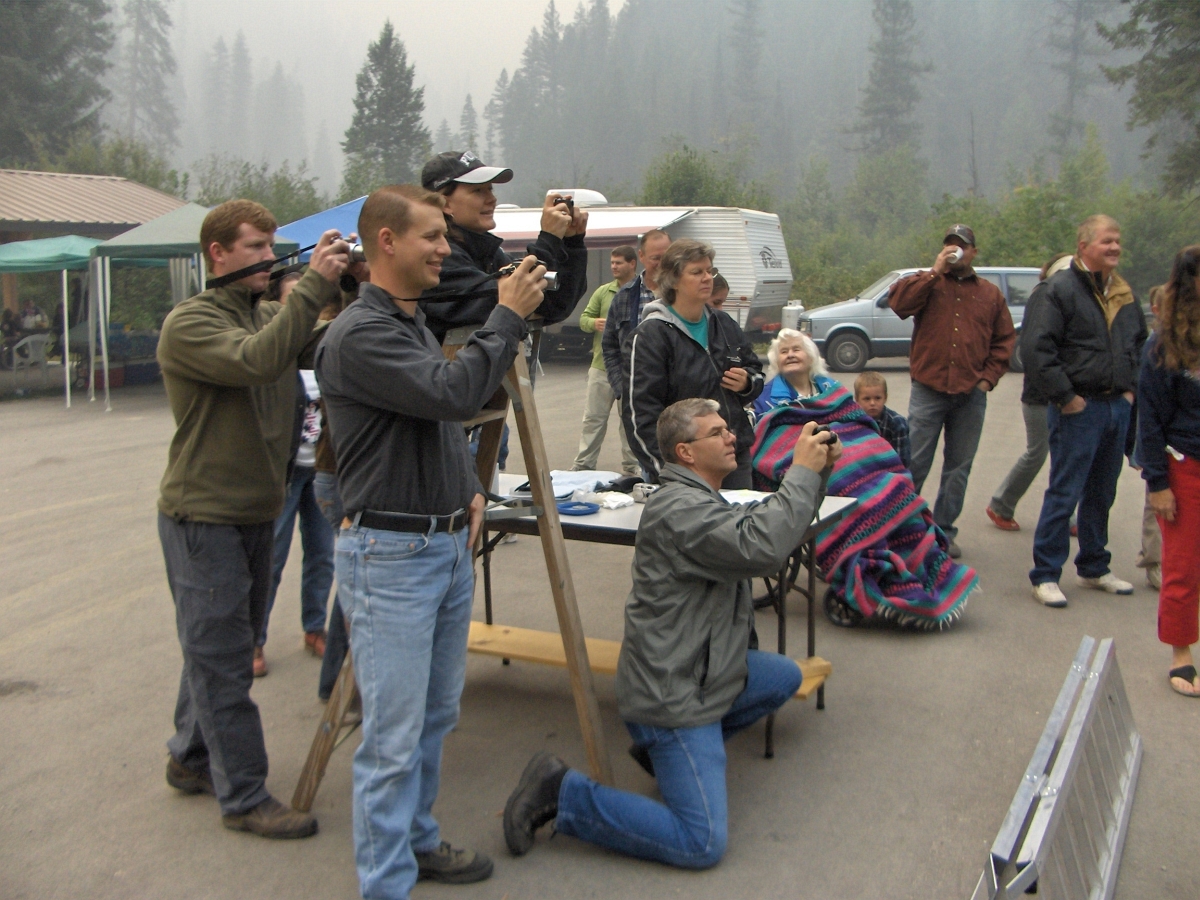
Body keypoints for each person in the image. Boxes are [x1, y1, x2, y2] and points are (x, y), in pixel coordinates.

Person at [315, 184, 549, 899]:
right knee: (391, 738)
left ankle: (415, 843)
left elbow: (434, 418)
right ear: (387, 242)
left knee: (435, 716)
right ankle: (385, 884)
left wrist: (467, 489)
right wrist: (506, 316)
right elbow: (452, 394)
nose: (446, 250)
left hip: (441, 548)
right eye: (432, 238)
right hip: (392, 558)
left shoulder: (405, 321)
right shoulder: (362, 334)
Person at [503, 398, 840, 868]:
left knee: (782, 676)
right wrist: (801, 473)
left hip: (701, 668)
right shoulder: (680, 509)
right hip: (673, 690)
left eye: (728, 428)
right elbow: (761, 546)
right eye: (717, 432)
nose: (731, 437)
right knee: (700, 842)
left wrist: (816, 472)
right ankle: (564, 791)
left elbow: (766, 524)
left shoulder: (703, 496)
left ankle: (665, 756)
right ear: (685, 452)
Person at [157, 199, 350, 838]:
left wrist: (359, 284)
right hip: (204, 514)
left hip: (254, 512)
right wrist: (313, 284)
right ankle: (243, 796)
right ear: (217, 253)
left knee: (220, 647)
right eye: (256, 248)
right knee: (224, 656)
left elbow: (328, 345)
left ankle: (190, 757)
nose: (271, 259)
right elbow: (257, 359)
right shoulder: (190, 323)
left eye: (273, 248)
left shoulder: (266, 313)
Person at [1025, 214, 1148, 608]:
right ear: (1083, 247)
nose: (1114, 247)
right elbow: (1036, 349)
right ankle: (1045, 573)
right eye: (1106, 241)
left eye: (1117, 241)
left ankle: (1094, 566)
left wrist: (1130, 391)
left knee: (1101, 492)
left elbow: (1139, 345)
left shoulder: (1124, 294)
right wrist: (1067, 398)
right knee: (1065, 491)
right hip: (1078, 408)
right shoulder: (1058, 290)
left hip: (1116, 407)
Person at [889, 224, 1015, 558]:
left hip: (970, 394)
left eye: (961, 245)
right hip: (929, 389)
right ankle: (904, 528)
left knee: (958, 466)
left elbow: (1004, 340)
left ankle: (944, 531)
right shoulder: (927, 283)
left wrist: (988, 379)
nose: (954, 249)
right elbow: (898, 304)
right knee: (915, 461)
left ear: (973, 252)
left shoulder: (990, 294)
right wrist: (934, 271)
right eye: (949, 244)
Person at [622, 239, 764, 488]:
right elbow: (639, 416)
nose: (707, 278)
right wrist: (668, 474)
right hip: (687, 468)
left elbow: (756, 372)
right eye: (697, 272)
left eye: (710, 270)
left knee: (739, 525)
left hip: (733, 457)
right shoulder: (650, 336)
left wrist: (747, 383)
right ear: (673, 280)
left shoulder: (724, 324)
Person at [417, 150, 588, 342]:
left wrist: (572, 244)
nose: (492, 199)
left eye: (490, 189)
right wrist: (548, 238)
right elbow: (509, 301)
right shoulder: (437, 257)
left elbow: (552, 307)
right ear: (445, 203)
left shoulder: (488, 253)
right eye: (478, 191)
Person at [253, 270, 334, 678]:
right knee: (271, 559)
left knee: (322, 555)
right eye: (295, 301)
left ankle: (314, 627)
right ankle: (255, 639)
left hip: (318, 470)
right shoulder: (275, 356)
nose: (306, 312)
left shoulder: (324, 352)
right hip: (283, 475)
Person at [1136, 245, 1200, 696]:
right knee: (1183, 567)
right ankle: (1181, 654)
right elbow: (1150, 420)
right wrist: (1157, 483)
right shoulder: (1163, 346)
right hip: (1186, 468)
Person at [986, 253, 1074, 531]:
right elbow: (1035, 348)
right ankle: (1001, 504)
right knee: (1038, 451)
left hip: (1065, 389)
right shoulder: (1045, 296)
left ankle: (1066, 514)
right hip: (1042, 393)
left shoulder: (1068, 297)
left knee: (1068, 453)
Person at [572, 245, 640, 474]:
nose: (614, 267)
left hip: (632, 369)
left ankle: (633, 469)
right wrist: (594, 323)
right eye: (612, 262)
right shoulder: (603, 292)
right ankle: (583, 467)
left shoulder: (642, 292)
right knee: (593, 420)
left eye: (619, 262)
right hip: (601, 367)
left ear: (632, 264)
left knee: (630, 421)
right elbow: (584, 319)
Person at [602, 229, 672, 400]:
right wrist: (621, 388)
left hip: (674, 392)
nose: (661, 264)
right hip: (635, 391)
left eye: (666, 257)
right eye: (656, 258)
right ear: (641, 256)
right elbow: (610, 346)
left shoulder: (682, 293)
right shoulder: (624, 296)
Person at [751, 328, 837, 417]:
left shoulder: (832, 387)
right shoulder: (765, 397)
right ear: (776, 362)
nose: (790, 355)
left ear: (811, 357)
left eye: (796, 350)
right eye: (784, 351)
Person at [854, 371, 911, 469]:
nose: (872, 403)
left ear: (885, 397)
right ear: (857, 399)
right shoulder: (851, 422)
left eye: (877, 398)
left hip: (890, 474)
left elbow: (902, 462)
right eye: (867, 399)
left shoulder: (897, 424)